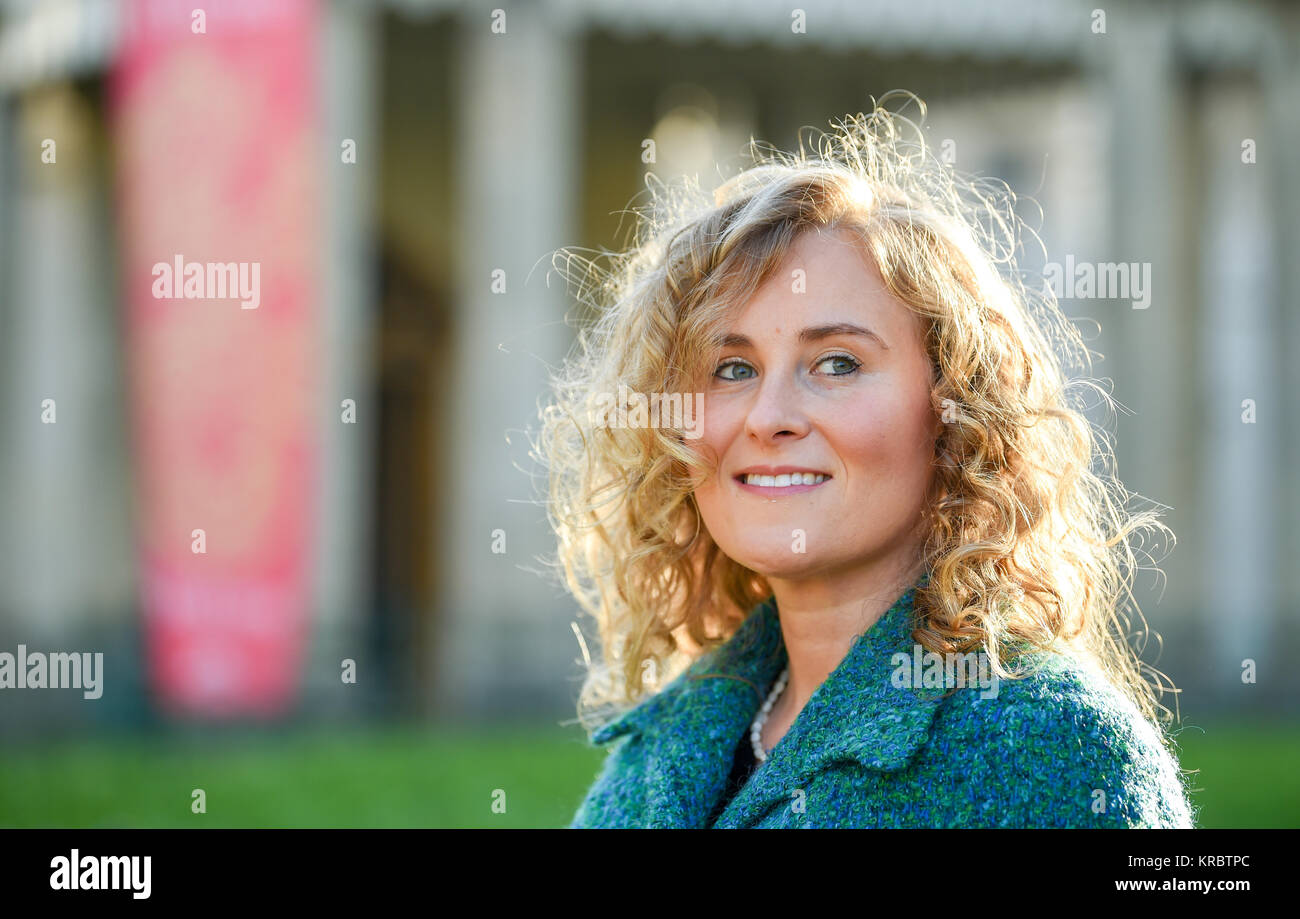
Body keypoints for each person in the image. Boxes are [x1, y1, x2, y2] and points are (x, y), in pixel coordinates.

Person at [537, 92, 1196, 828]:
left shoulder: (1058, 753)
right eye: (730, 369)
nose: (770, 417)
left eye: (838, 362)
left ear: (955, 410)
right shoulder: (654, 753)